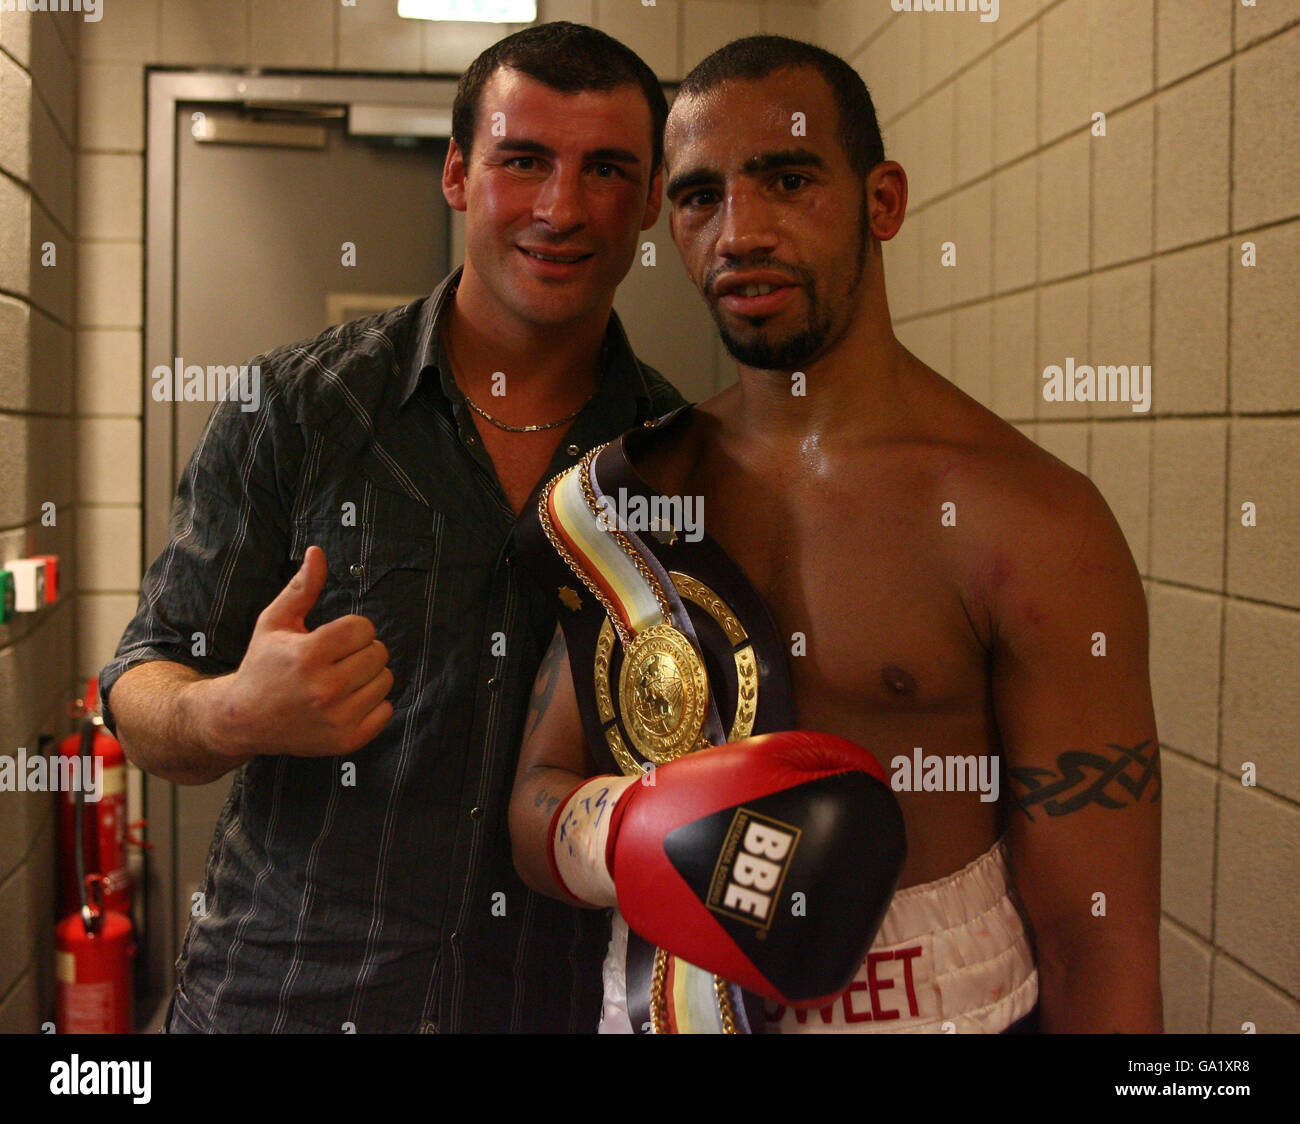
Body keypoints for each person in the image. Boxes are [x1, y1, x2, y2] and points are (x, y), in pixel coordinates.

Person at [508, 36, 1162, 1033]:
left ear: (882, 201)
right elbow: (535, 803)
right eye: (698, 197)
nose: (740, 231)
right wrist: (633, 830)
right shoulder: (631, 496)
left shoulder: (1030, 519)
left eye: (788, 179)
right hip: (669, 1006)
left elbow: (1100, 940)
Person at [98, 21, 684, 1033]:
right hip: (283, 999)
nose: (561, 206)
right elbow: (138, 682)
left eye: (606, 171)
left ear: (647, 204)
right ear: (458, 173)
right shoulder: (299, 404)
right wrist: (236, 708)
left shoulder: (679, 461)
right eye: (524, 160)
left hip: (544, 1006)